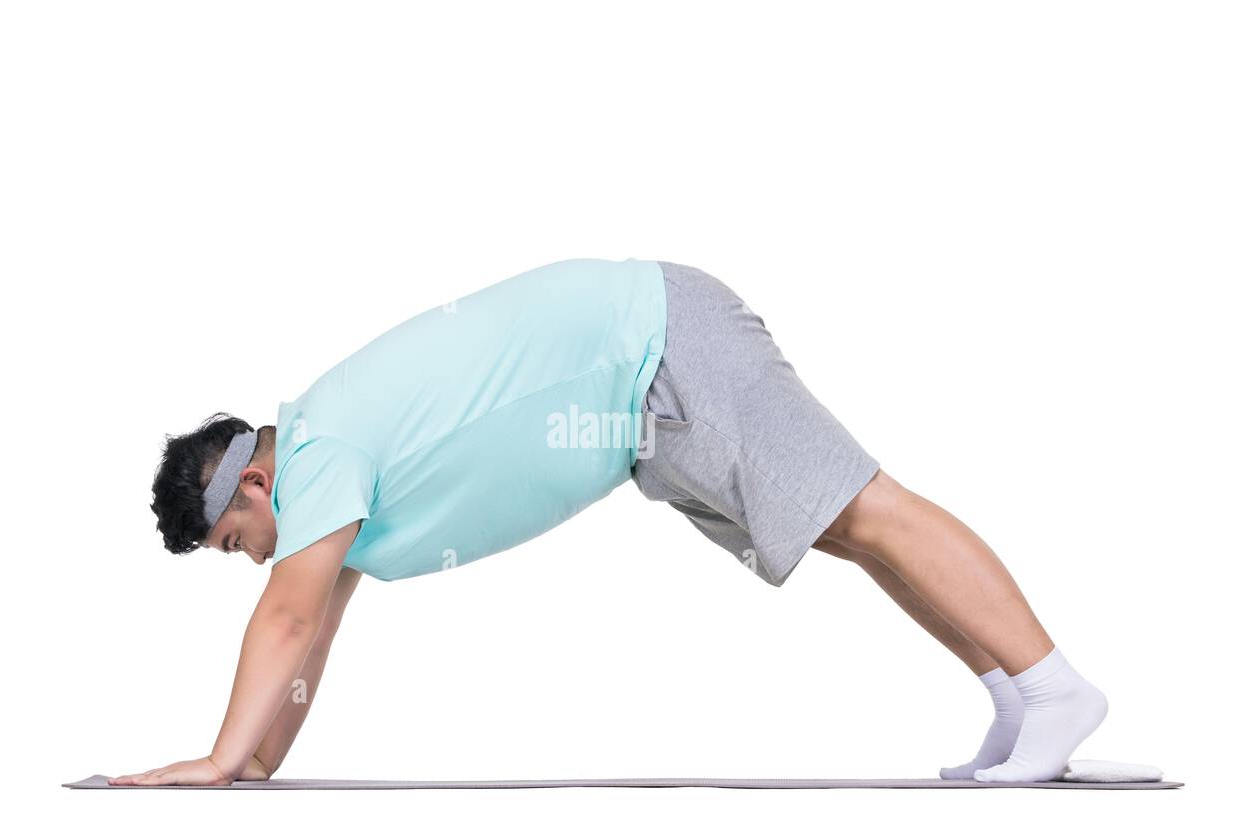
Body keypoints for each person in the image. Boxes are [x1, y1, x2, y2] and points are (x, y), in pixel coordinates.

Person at [112, 258, 1108, 787]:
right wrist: (247, 766)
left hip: (659, 345)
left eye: (240, 547)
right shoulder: (339, 498)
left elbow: (285, 621)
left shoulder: (320, 451)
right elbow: (308, 638)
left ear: (250, 489)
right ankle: (1017, 701)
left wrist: (211, 760)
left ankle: (1051, 685)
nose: (259, 565)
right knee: (842, 530)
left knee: (863, 506)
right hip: (644, 396)